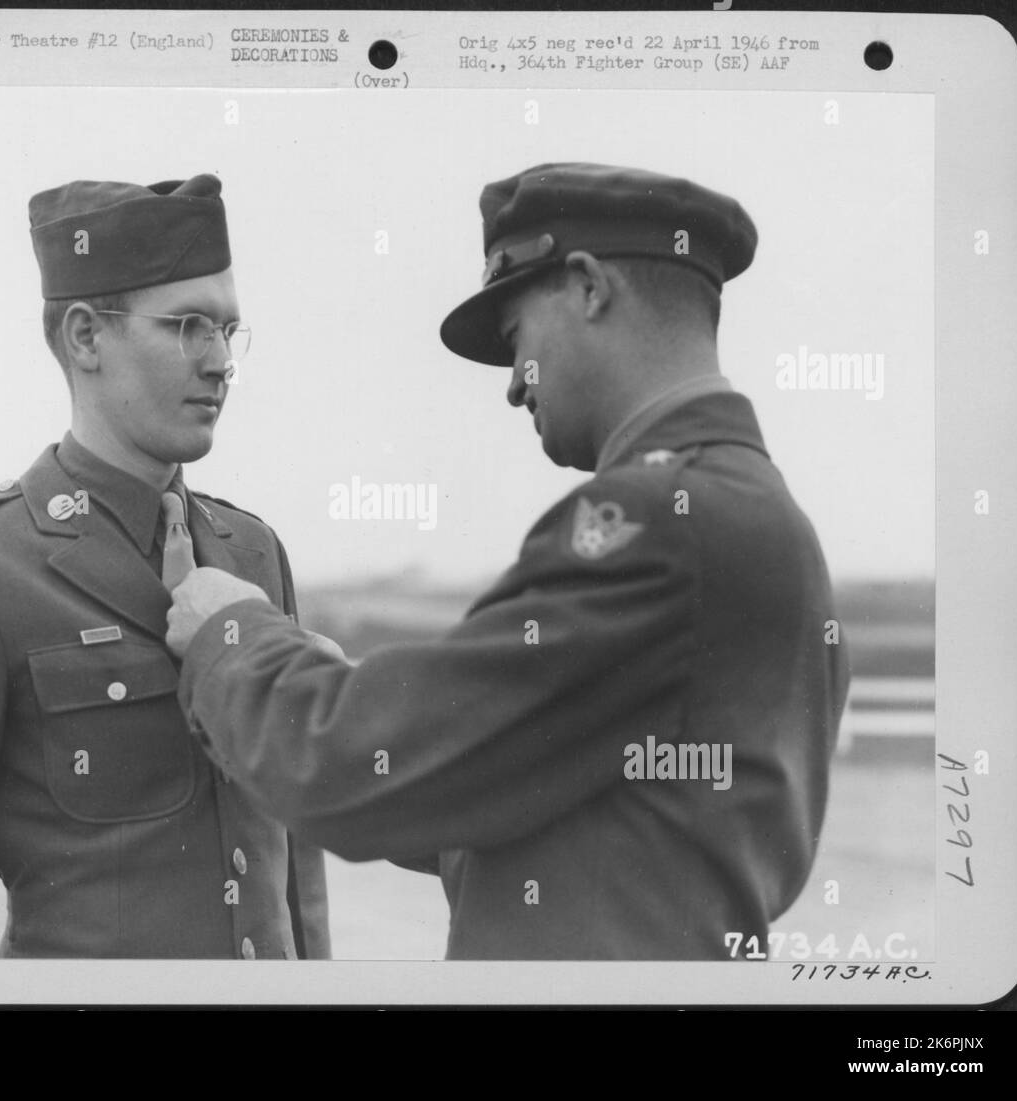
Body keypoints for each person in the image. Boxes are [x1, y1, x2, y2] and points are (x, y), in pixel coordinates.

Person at [163, 163, 850, 960]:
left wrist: (232, 635)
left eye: (516, 337)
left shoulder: (654, 521)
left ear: (589, 287)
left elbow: (345, 771)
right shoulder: (761, 512)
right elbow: (580, 820)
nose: (514, 390)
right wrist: (338, 683)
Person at [0, 174, 330, 959]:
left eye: (228, 330)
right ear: (84, 337)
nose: (219, 362)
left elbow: (292, 868)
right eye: (187, 326)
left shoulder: (251, 552)